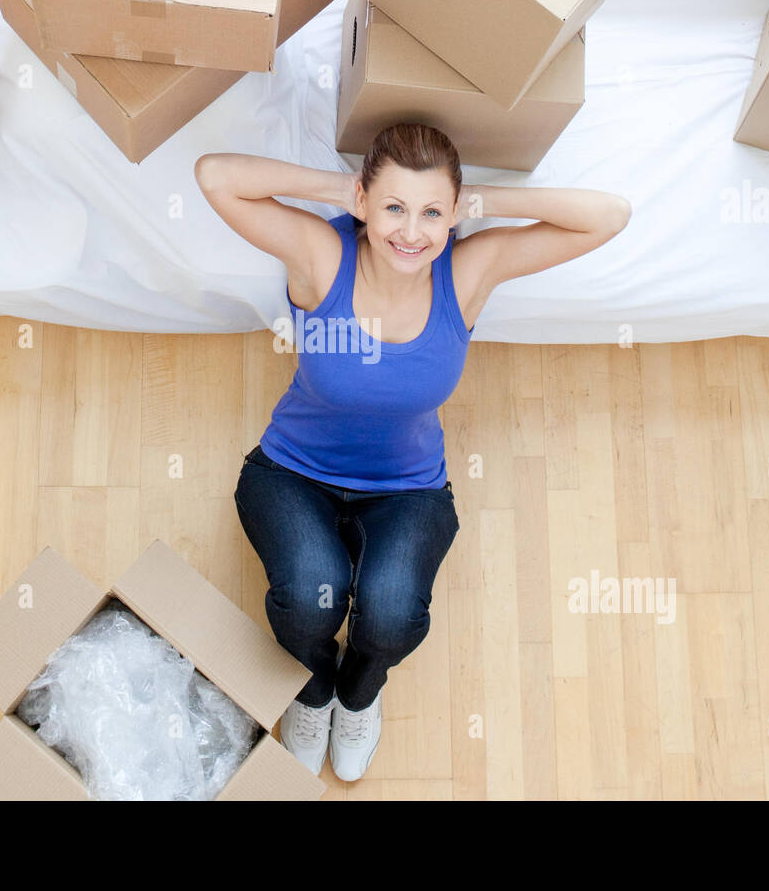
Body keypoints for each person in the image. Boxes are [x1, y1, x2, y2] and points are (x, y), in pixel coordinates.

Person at [194, 123, 631, 781]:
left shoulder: (468, 270)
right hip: (293, 475)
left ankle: (356, 694)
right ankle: (313, 692)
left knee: (393, 617)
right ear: (365, 203)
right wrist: (342, 189)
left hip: (408, 490)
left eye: (432, 213)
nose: (412, 233)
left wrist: (473, 201)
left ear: (453, 215)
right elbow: (214, 175)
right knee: (314, 599)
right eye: (394, 208)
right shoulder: (321, 256)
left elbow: (609, 216)